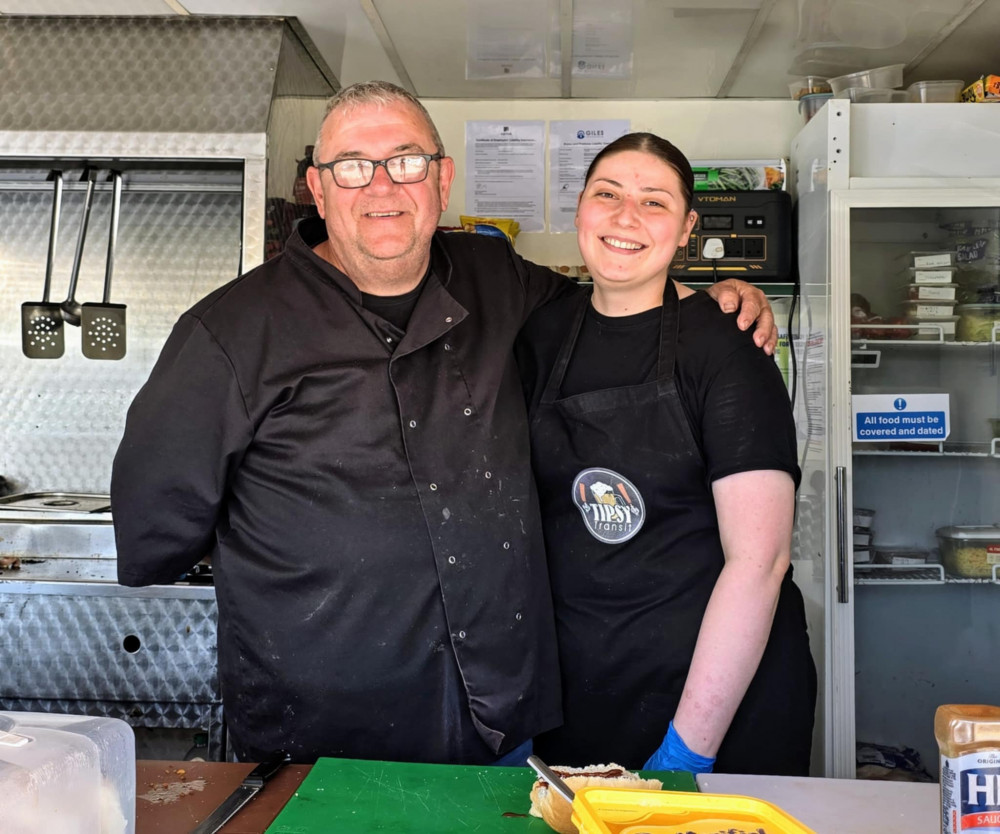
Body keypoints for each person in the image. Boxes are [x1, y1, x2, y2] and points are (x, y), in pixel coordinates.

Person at [111, 81, 777, 766]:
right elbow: (156, 523)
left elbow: (616, 298)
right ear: (317, 186)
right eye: (351, 165)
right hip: (316, 730)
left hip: (499, 720)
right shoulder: (229, 333)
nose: (380, 186)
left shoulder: (498, 277)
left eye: (405, 160)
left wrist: (713, 301)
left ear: (442, 177)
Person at [515, 132, 816, 776]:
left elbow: (759, 561)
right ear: (581, 211)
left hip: (718, 698)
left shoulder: (728, 346)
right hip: (580, 691)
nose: (627, 218)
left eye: (654, 202)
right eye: (608, 195)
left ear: (687, 230)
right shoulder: (538, 333)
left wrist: (689, 748)